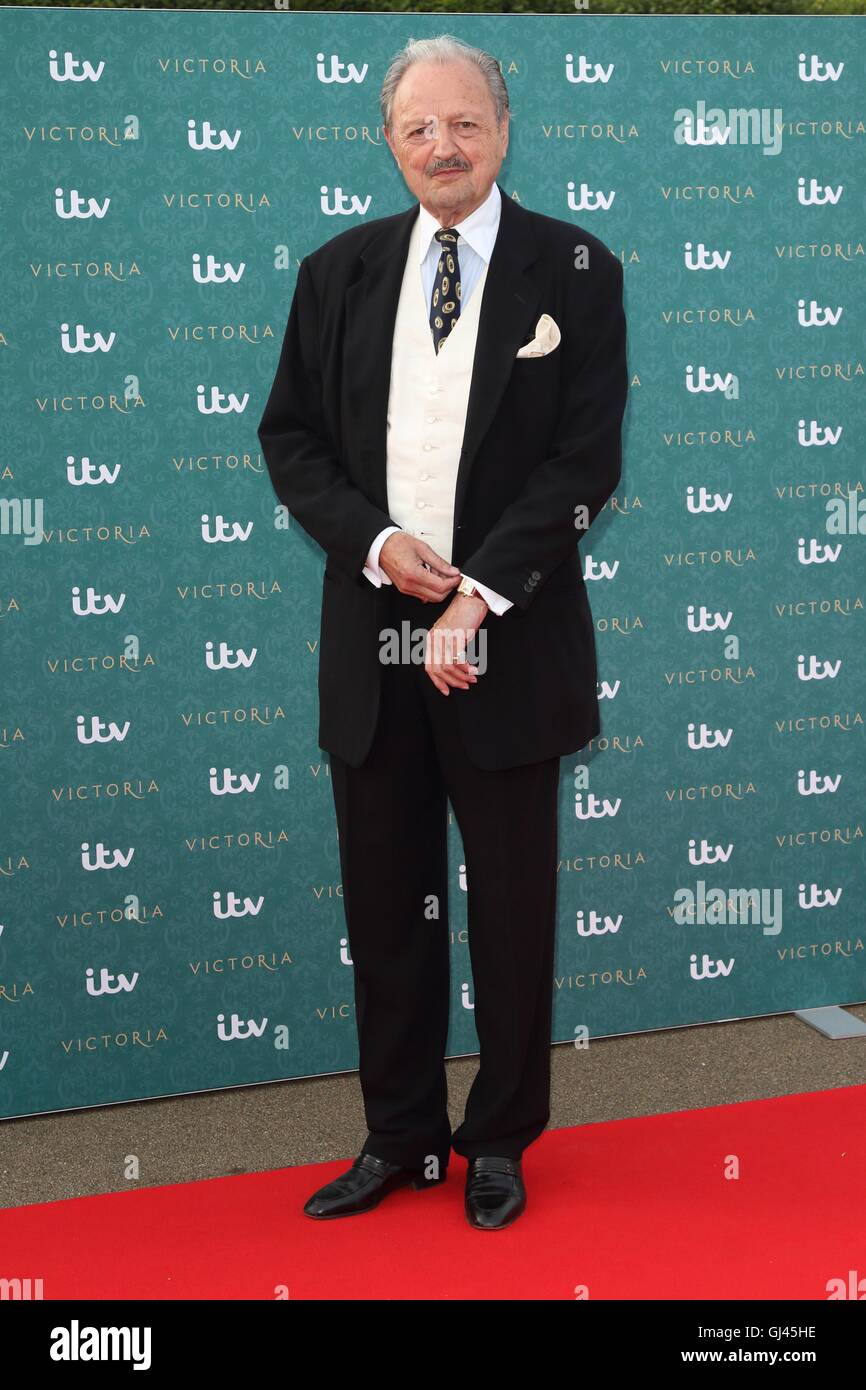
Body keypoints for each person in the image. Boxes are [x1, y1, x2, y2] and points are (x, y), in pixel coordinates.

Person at [257, 33, 627, 1230]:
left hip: (504, 647)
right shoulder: (338, 270)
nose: (441, 147)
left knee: (510, 908)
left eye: (463, 124)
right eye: (417, 128)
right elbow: (291, 440)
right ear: (388, 142)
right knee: (388, 903)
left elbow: (584, 459)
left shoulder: (575, 269)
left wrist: (479, 594)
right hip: (370, 652)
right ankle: (401, 1138)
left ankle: (502, 1138)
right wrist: (373, 544)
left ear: (504, 130)